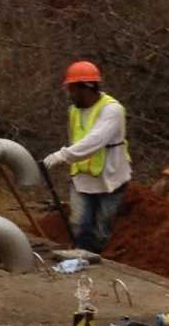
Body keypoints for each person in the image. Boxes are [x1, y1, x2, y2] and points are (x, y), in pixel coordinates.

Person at [42, 60, 131, 254]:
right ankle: (80, 254)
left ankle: (97, 257)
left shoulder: (112, 110)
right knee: (79, 222)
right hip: (82, 177)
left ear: (86, 88)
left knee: (102, 227)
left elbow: (95, 140)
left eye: (72, 89)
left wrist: (62, 156)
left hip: (110, 177)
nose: (70, 94)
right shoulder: (74, 111)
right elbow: (77, 139)